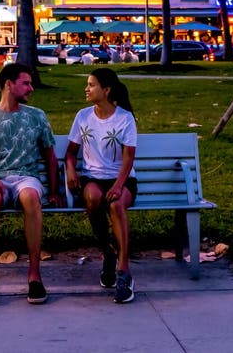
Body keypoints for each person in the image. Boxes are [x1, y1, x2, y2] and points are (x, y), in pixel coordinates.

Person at [0, 62, 60, 307]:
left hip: (26, 177)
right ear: (9, 84)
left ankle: (34, 276)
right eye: (25, 83)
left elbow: (51, 157)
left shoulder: (36, 115)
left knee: (30, 196)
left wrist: (55, 190)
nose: (31, 88)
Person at [65, 67, 137, 304]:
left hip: (122, 179)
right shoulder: (83, 116)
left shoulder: (125, 118)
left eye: (91, 85)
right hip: (92, 178)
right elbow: (71, 153)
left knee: (116, 206)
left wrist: (118, 185)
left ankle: (123, 271)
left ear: (106, 90)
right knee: (94, 198)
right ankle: (107, 252)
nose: (86, 89)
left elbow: (128, 159)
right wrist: (72, 170)